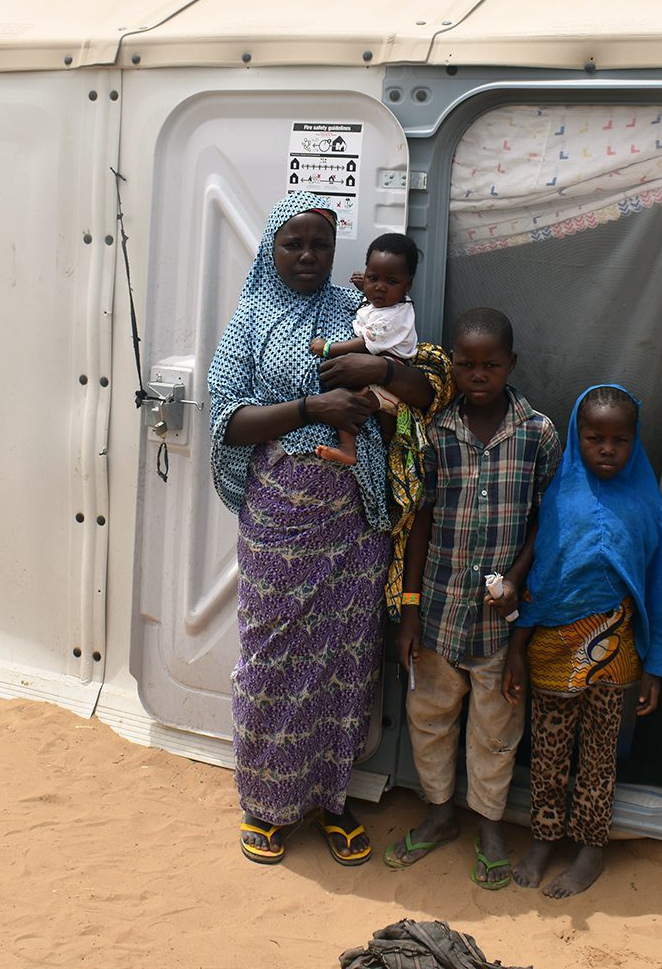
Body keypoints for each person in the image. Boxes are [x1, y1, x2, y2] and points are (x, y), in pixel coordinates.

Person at [209, 192, 438, 867]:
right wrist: (312, 406)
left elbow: (426, 390)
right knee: (272, 657)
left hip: (356, 520)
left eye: (320, 245)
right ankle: (266, 803)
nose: (308, 256)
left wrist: (383, 371)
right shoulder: (251, 318)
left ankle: (331, 800)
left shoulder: (359, 308)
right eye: (294, 243)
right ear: (271, 249)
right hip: (280, 518)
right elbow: (228, 421)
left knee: (345, 660)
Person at [387, 307, 560, 890]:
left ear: (512, 364)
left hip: (499, 623)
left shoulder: (538, 433)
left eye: (491, 365)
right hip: (438, 611)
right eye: (466, 365)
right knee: (429, 717)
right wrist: (410, 609)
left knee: (496, 728)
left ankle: (490, 826)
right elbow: (421, 519)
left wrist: (515, 578)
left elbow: (546, 523)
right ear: (452, 365)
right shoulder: (437, 432)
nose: (478, 375)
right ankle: (440, 814)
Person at [505, 384, 662, 899]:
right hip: (552, 648)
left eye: (619, 440)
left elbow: (658, 583)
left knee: (600, 757)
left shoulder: (644, 503)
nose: (607, 449)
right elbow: (542, 575)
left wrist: (656, 665)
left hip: (616, 653)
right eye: (594, 438)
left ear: (635, 441)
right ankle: (544, 837)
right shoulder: (560, 496)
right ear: (576, 437)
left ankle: (590, 848)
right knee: (548, 751)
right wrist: (516, 648)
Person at [310, 233, 421, 466]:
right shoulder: (391, 302)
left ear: (408, 285)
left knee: (349, 404)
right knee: (385, 431)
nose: (379, 288)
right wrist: (366, 287)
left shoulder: (394, 318)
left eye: (391, 281)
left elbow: (364, 343)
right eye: (373, 278)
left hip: (387, 384)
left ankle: (348, 449)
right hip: (383, 381)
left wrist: (328, 348)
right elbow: (380, 294)